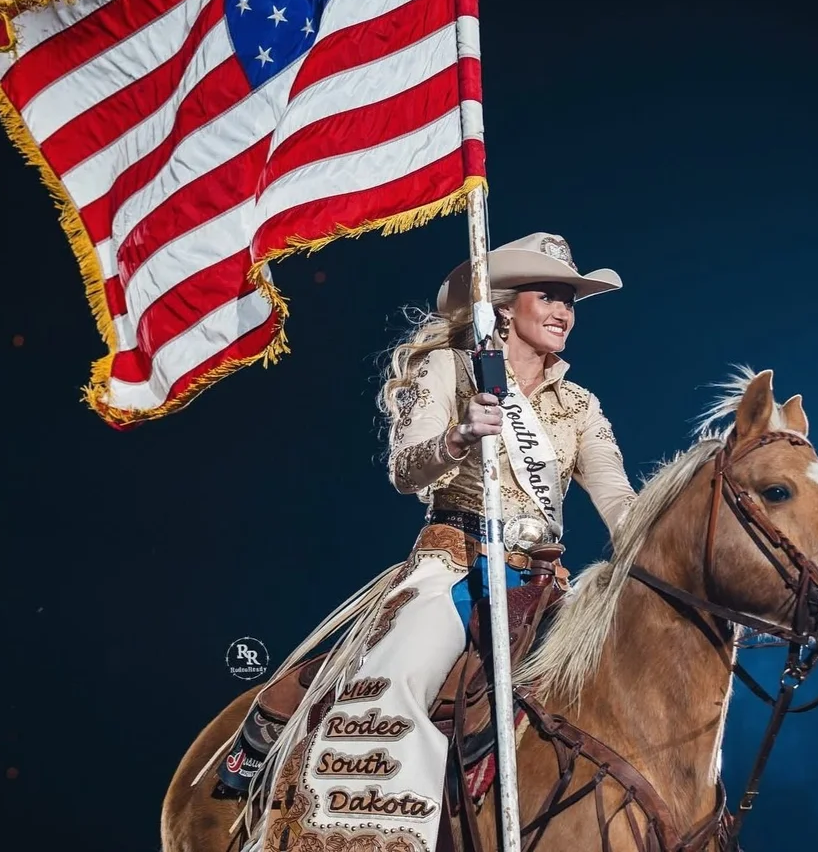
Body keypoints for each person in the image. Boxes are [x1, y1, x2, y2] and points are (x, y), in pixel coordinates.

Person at [243, 232, 637, 852]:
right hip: (454, 562)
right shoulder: (452, 368)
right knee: (400, 676)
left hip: (541, 580)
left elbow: (617, 500)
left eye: (571, 299)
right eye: (550, 295)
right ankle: (363, 832)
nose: (565, 311)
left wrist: (656, 542)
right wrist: (457, 437)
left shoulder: (581, 406)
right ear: (505, 306)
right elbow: (405, 471)